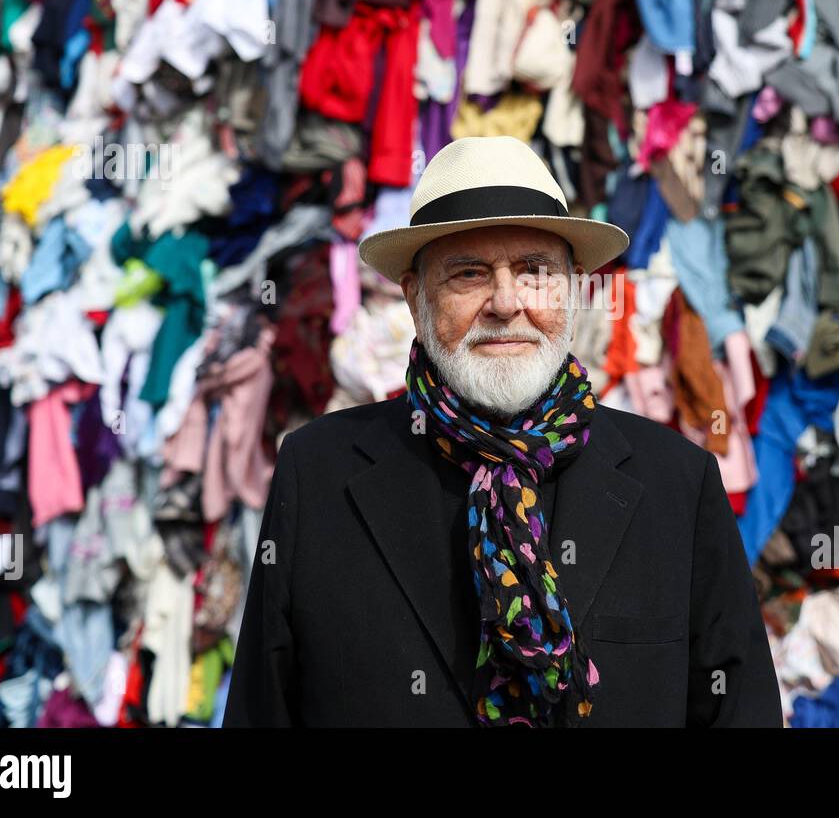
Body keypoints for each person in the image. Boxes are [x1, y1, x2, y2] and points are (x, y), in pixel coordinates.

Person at [223, 135, 781, 727]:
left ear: (570, 289)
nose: (506, 302)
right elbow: (263, 707)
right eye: (469, 274)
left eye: (534, 271)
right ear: (415, 299)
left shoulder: (676, 482)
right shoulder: (320, 472)